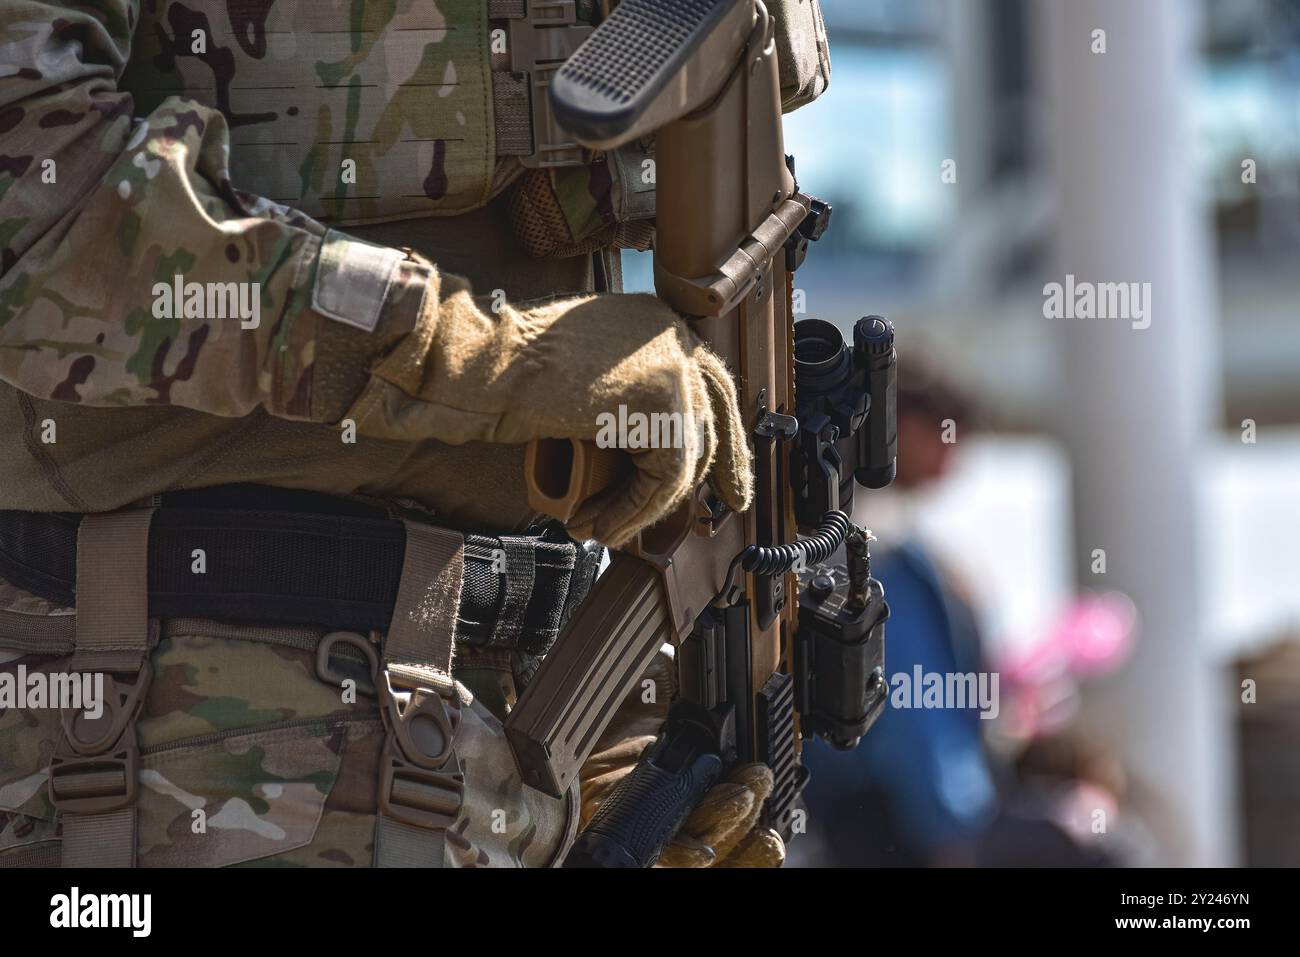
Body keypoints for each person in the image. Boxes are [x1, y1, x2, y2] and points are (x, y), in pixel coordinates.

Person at [0, 0, 830, 868]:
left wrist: (609, 750)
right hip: (199, 720)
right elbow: (36, 209)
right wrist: (474, 355)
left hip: (491, 713)